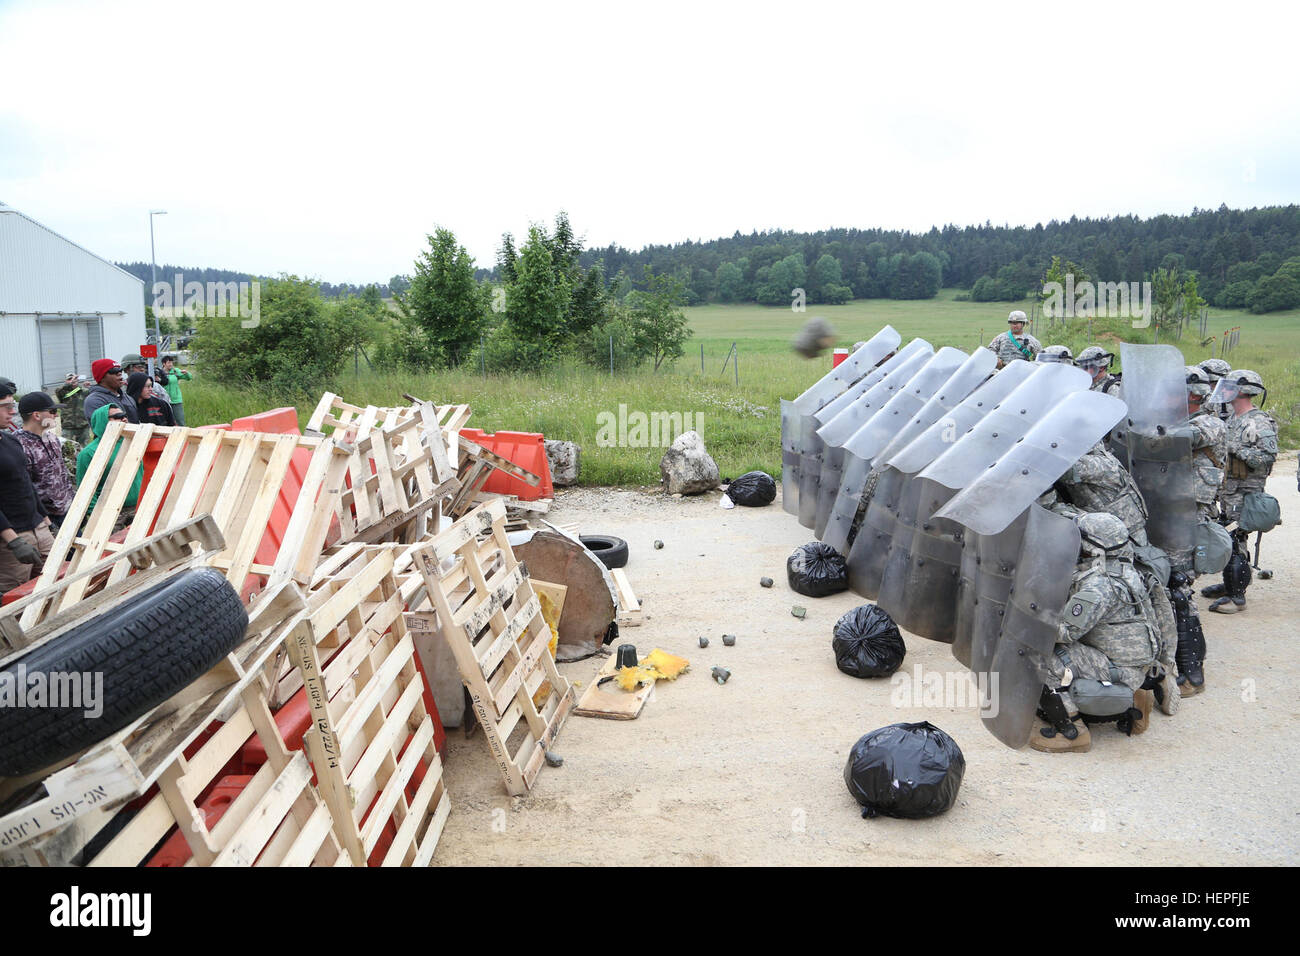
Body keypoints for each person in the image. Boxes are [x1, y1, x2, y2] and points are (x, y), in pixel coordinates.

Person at [1030, 513, 1164, 753]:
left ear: (1093, 547)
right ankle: (1137, 696)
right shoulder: (1126, 569)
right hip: (1136, 663)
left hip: (1117, 667)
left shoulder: (1098, 586)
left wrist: (1032, 617)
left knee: (1040, 653)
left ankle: (1072, 732)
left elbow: (1065, 632)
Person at [1201, 370, 1278, 614]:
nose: (1224, 390)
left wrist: (1234, 447)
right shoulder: (1233, 419)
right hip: (1229, 491)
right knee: (1232, 539)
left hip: (1246, 492)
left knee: (1234, 540)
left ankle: (1236, 597)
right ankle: (1231, 584)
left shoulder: (1259, 421)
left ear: (1244, 390)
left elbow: (1266, 458)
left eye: (1231, 386)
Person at [0, 391, 55, 595]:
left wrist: (48, 523)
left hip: (38, 527)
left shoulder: (10, 441)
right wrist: (13, 540)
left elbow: (27, 485)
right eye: (5, 406)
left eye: (12, 405)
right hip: (11, 538)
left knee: (55, 583)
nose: (12, 411)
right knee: (15, 597)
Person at [15, 392, 77, 531]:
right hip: (45, 519)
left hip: (68, 512)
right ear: (36, 415)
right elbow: (25, 488)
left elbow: (62, 475)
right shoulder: (18, 446)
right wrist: (46, 522)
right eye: (52, 411)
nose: (56, 415)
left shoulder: (51, 438)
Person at [76, 403, 141, 520]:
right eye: (118, 417)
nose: (124, 419)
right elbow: (85, 491)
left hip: (139, 507)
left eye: (124, 415)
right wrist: (98, 516)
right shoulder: (88, 453)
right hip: (110, 513)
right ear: (102, 421)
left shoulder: (135, 443)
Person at [83, 359, 139, 424]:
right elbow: (103, 427)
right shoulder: (94, 400)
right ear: (102, 377)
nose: (119, 373)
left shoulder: (127, 397)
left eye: (120, 370)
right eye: (114, 371)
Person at [55, 373, 92, 445]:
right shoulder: (62, 392)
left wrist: (89, 387)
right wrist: (71, 383)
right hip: (68, 426)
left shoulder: (84, 391)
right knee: (67, 448)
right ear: (66, 381)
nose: (72, 380)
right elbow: (59, 391)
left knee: (83, 448)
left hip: (83, 425)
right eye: (69, 379)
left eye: (74, 379)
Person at [160, 355, 191, 426]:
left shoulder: (175, 371)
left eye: (171, 362)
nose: (170, 364)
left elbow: (189, 378)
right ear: (164, 364)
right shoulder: (160, 373)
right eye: (168, 362)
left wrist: (186, 373)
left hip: (176, 400)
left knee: (180, 420)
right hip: (165, 401)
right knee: (166, 421)